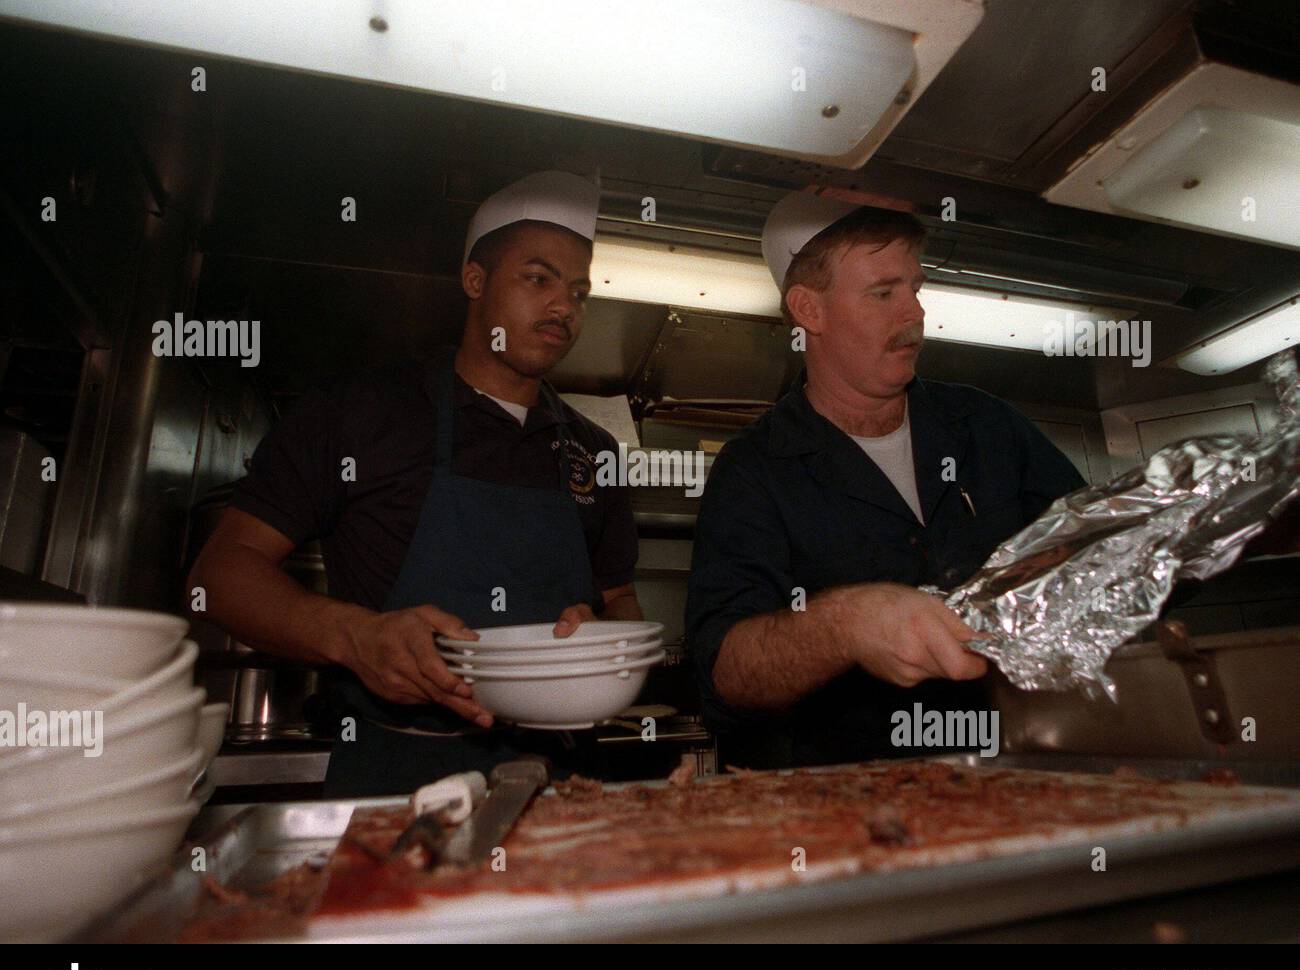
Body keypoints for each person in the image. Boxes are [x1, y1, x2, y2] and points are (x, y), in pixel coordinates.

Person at [188, 170, 642, 796]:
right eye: (539, 280)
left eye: (579, 291)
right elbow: (219, 577)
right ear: (474, 280)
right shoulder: (358, 412)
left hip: (564, 783)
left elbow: (620, 601)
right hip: (395, 782)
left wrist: (599, 642)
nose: (565, 308)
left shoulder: (595, 452)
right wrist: (354, 636)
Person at [685, 191, 1086, 768]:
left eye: (915, 289)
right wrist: (844, 624)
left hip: (1013, 777)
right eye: (883, 293)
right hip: (847, 815)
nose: (914, 314)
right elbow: (726, 677)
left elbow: (1089, 549)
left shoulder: (988, 427)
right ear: (810, 310)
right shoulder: (755, 470)